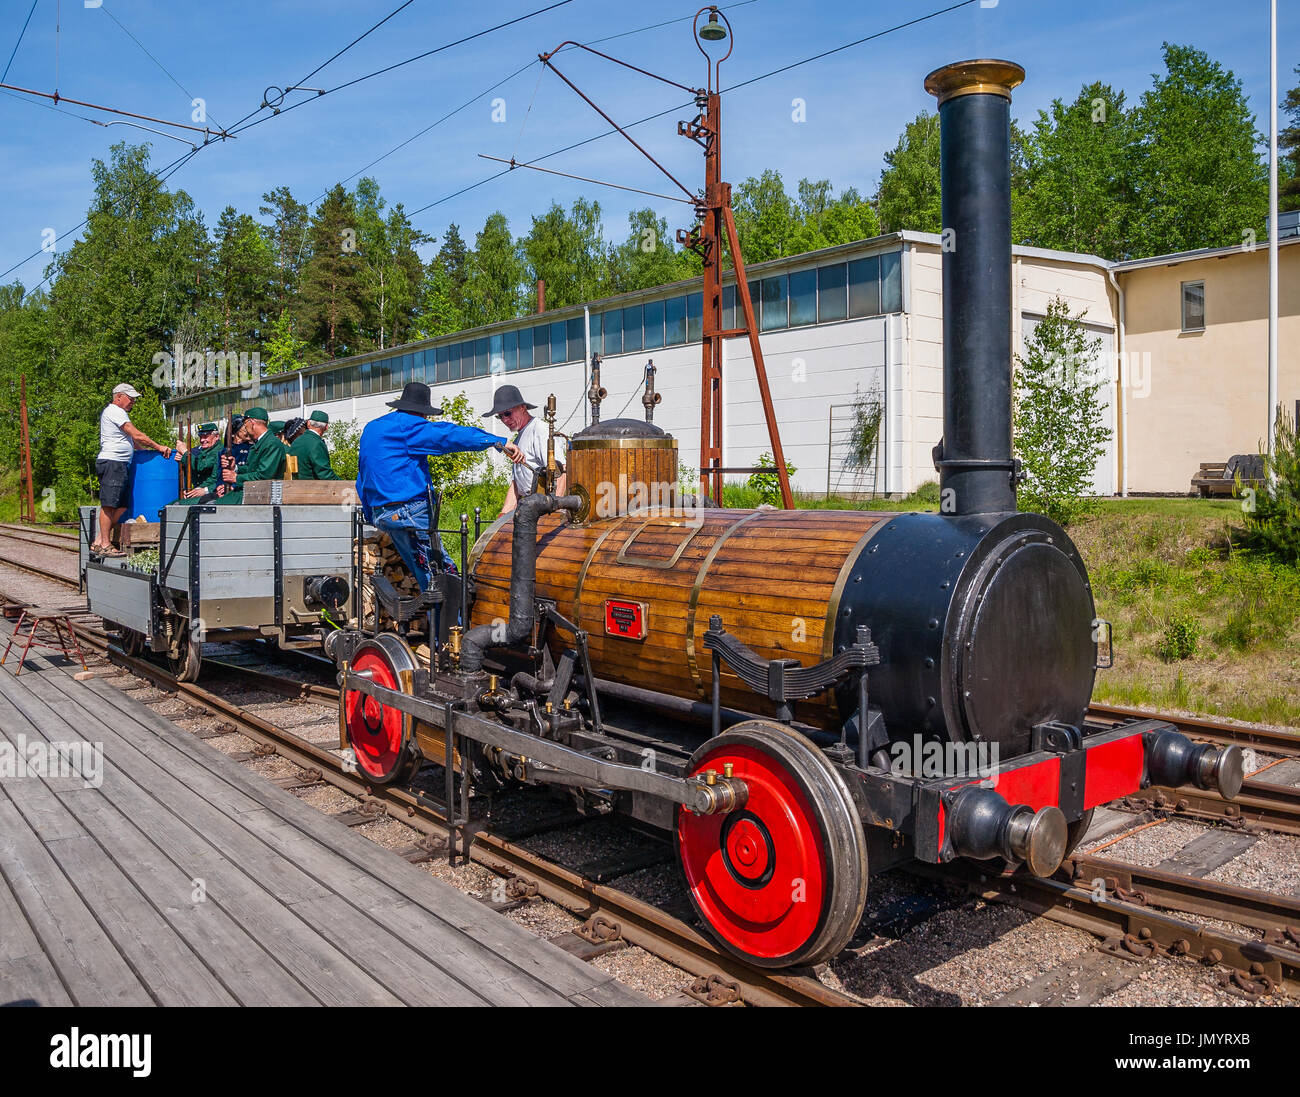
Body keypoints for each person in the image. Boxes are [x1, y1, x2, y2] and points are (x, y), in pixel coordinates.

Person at [357, 381, 526, 592]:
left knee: (423, 574)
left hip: (382, 513)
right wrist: (496, 441)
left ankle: (434, 620)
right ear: (422, 413)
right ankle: (456, 622)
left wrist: (370, 513)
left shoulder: (373, 428)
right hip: (408, 512)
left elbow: (361, 476)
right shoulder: (409, 426)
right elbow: (449, 435)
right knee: (443, 574)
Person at [93, 382, 186, 556]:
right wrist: (158, 447)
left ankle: (99, 540)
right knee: (109, 505)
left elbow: (130, 439)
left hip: (119, 464)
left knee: (122, 505)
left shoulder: (117, 413)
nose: (133, 402)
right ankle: (105, 544)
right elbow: (136, 434)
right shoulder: (115, 411)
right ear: (119, 397)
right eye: (130, 398)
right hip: (112, 462)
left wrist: (145, 453)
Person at [483, 384, 565, 514]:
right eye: (500, 416)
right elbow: (517, 485)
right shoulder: (518, 439)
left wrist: (554, 512)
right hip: (529, 508)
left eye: (508, 413)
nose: (505, 419)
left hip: (545, 508)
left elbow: (561, 472)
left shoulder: (540, 429)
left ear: (522, 408)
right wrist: (502, 517)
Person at [212, 407, 287, 504]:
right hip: (251, 492)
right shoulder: (262, 442)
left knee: (206, 509)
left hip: (259, 496)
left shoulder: (271, 444)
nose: (245, 428)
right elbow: (252, 468)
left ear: (251, 422)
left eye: (245, 423)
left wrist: (236, 478)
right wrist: (235, 467)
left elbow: (264, 476)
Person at [287, 409, 340, 480]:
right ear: (326, 427)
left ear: (308, 423)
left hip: (295, 486)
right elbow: (324, 474)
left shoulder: (296, 442)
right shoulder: (317, 443)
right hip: (312, 488)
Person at [182, 423, 222, 499]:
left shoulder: (218, 451)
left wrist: (185, 453)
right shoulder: (204, 450)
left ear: (216, 437)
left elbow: (201, 466)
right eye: (200, 437)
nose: (202, 440)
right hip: (199, 490)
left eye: (206, 437)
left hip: (212, 492)